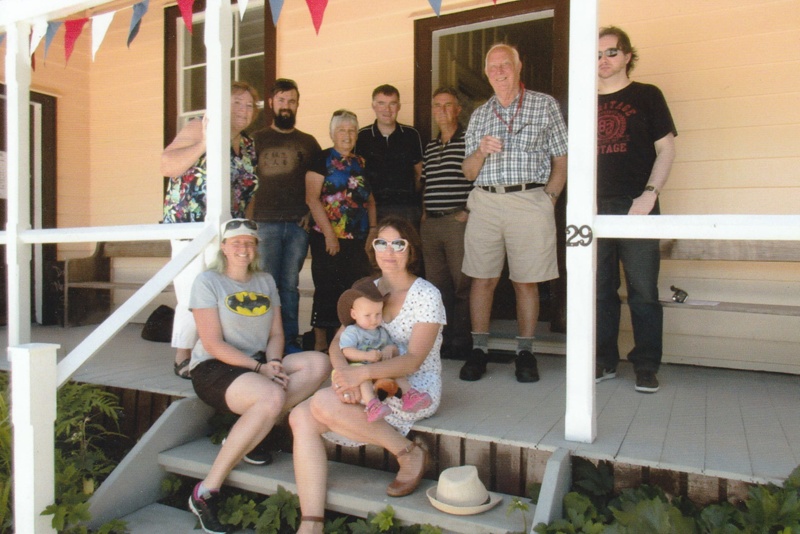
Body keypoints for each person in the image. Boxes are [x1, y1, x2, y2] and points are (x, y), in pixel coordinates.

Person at [289, 216, 445, 534]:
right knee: (299, 416)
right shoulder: (368, 288)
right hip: (365, 380)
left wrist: (359, 376)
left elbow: (413, 360)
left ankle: (408, 453)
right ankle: (312, 522)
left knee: (321, 403)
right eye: (381, 243)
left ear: (411, 249)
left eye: (398, 243)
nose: (389, 251)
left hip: (411, 386)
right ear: (372, 249)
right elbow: (338, 344)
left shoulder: (427, 295)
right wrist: (344, 376)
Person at [186, 218, 330, 534]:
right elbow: (212, 343)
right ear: (224, 247)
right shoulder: (208, 281)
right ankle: (206, 491)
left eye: (250, 242)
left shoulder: (264, 281)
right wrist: (260, 369)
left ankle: (249, 432)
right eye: (236, 242)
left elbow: (276, 333)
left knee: (319, 364)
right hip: (214, 367)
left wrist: (274, 362)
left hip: (259, 362)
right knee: (272, 395)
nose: (244, 248)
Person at [458, 44, 568, 383]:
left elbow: (562, 159)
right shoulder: (479, 114)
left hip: (529, 199)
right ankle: (479, 349)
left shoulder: (544, 104)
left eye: (505, 64)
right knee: (482, 279)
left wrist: (549, 199)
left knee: (526, 281)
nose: (499, 71)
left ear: (519, 67)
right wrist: (480, 151)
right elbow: (468, 172)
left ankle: (525, 352)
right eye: (492, 67)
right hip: (486, 201)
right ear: (486, 73)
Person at [595, 26, 677, 393]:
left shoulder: (647, 95)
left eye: (611, 52)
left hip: (636, 204)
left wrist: (649, 195)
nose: (604, 60)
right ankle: (603, 360)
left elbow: (667, 149)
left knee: (643, 290)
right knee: (600, 290)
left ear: (627, 55)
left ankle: (645, 365)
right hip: (594, 208)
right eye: (597, 55)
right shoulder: (583, 102)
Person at [162, 81, 260, 380]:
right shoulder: (198, 127)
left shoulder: (247, 144)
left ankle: (214, 353)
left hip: (229, 232)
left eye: (249, 105)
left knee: (222, 291)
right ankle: (183, 355)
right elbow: (167, 165)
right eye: (237, 102)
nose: (243, 110)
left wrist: (247, 231)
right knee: (193, 291)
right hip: (191, 225)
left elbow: (249, 192)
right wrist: (205, 143)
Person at [252, 78, 321, 355]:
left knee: (290, 285)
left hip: (297, 225)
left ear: (297, 104)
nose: (286, 106)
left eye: (291, 101)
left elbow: (321, 184)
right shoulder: (256, 139)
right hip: (264, 223)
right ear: (271, 103)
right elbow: (245, 181)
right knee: (265, 284)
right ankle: (263, 342)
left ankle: (289, 341)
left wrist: (310, 213)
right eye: (281, 100)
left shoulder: (308, 142)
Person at [305, 110, 377, 352]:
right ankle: (320, 343)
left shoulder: (361, 162)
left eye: (352, 130)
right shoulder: (321, 159)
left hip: (357, 238)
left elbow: (370, 200)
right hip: (327, 238)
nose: (347, 135)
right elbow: (312, 199)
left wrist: (372, 230)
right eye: (341, 130)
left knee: (353, 289)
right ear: (332, 133)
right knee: (326, 288)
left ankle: (345, 342)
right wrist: (329, 235)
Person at [420, 86, 473, 359]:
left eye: (448, 105)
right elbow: (426, 183)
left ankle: (462, 342)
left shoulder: (468, 142)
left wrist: (467, 212)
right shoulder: (430, 147)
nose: (442, 110)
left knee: (463, 284)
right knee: (437, 287)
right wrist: (425, 214)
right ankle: (442, 341)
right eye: (437, 105)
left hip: (456, 222)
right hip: (432, 224)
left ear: (458, 109)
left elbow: (478, 180)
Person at [337, 280, 433, 422]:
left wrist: (390, 349)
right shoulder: (352, 331)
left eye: (378, 314)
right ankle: (373, 405)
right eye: (367, 315)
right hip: (359, 367)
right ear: (354, 314)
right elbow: (347, 351)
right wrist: (365, 356)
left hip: (378, 367)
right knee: (364, 381)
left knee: (396, 372)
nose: (374, 320)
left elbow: (393, 348)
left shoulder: (381, 331)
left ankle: (410, 396)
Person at [356, 84, 424, 226]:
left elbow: (420, 174)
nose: (387, 109)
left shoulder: (411, 134)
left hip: (406, 209)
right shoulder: (361, 136)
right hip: (373, 210)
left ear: (399, 106)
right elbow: (356, 176)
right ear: (373, 106)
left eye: (392, 104)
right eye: (381, 103)